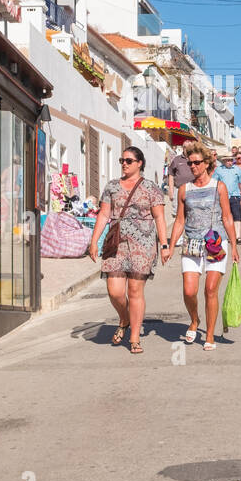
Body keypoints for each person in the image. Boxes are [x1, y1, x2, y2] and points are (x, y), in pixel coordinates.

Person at [88, 147, 168, 354]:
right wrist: (94, 241)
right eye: (121, 160)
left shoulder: (151, 188)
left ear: (139, 163)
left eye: (129, 160)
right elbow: (104, 214)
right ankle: (124, 319)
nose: (124, 163)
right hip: (117, 242)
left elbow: (159, 217)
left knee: (135, 290)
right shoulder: (112, 186)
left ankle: (134, 338)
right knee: (114, 291)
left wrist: (165, 244)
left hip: (143, 243)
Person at [167, 141, 239, 351]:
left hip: (215, 243)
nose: (193, 167)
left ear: (207, 163)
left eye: (197, 163)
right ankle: (194, 320)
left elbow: (227, 217)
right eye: (190, 163)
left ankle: (209, 335)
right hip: (191, 243)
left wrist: (234, 245)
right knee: (189, 291)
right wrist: (170, 246)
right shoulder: (184, 189)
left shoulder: (219, 187)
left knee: (210, 290)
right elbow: (180, 220)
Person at [214, 150, 241, 244]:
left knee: (237, 217)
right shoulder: (218, 170)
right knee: (224, 217)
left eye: (230, 160)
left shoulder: (237, 169)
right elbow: (214, 183)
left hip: (235, 196)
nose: (229, 162)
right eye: (227, 160)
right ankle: (226, 236)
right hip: (222, 196)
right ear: (224, 161)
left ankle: (237, 236)